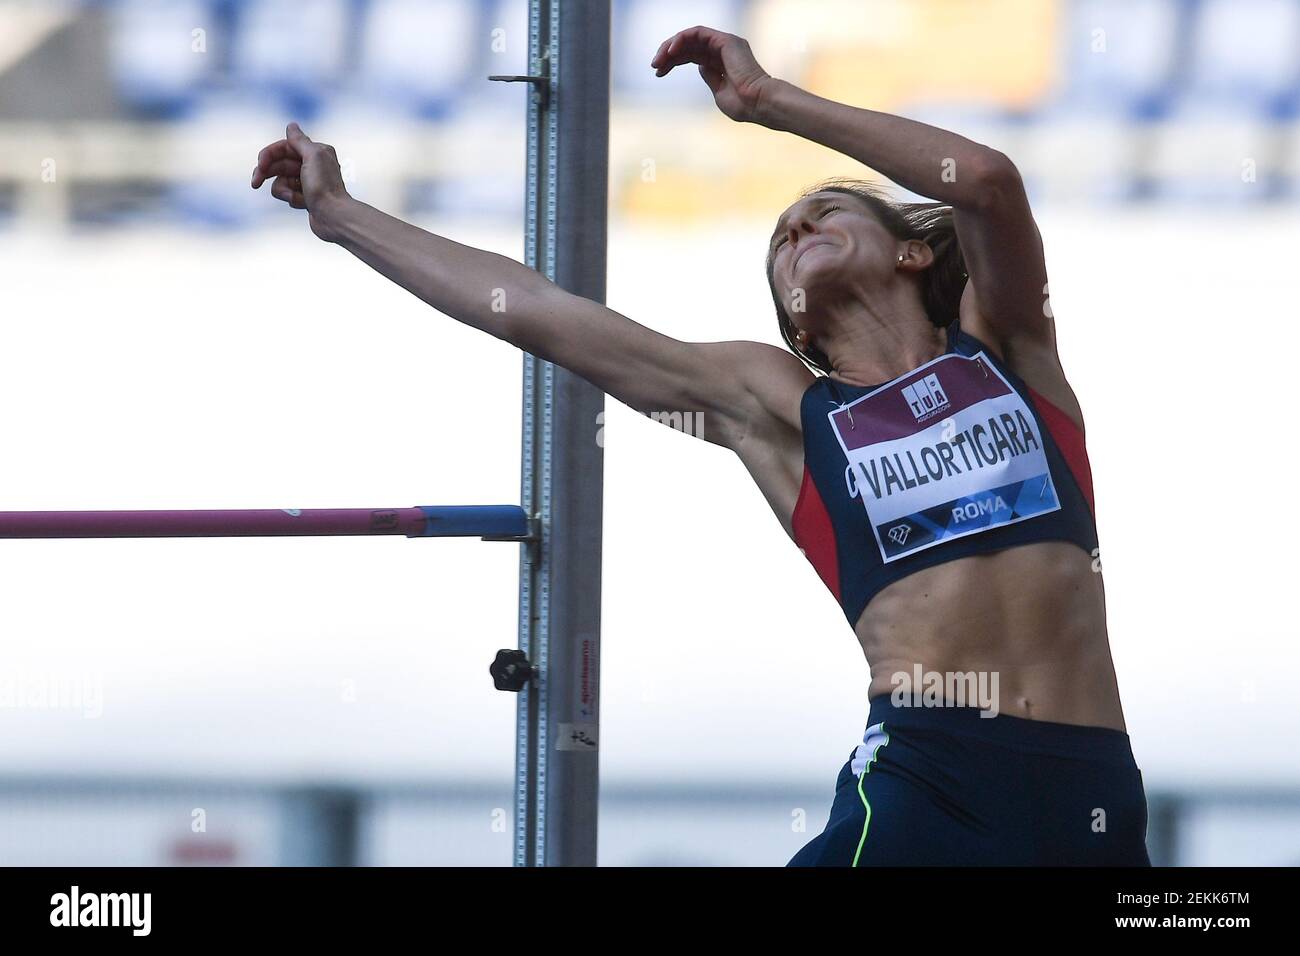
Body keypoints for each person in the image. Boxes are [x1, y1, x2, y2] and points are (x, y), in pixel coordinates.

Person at [251, 25, 1149, 866]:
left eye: (826, 212)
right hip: (929, 780)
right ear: (792, 318)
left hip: (1093, 788)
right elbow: (538, 314)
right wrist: (344, 217)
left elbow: (986, 179)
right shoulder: (781, 409)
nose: (798, 232)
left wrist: (769, 100)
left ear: (913, 254)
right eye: (782, 244)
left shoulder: (1008, 353)